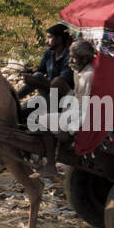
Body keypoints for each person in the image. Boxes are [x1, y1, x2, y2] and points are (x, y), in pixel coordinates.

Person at [37, 40, 96, 178]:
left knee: (42, 122)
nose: (70, 60)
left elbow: (87, 109)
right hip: (75, 109)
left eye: (74, 57)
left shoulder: (89, 76)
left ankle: (51, 166)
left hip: (80, 116)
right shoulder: (80, 71)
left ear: (85, 58)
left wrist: (69, 131)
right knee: (57, 82)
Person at [17, 23, 74, 99]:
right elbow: (41, 70)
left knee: (38, 76)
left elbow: (59, 87)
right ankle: (15, 99)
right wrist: (30, 72)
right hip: (46, 91)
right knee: (22, 110)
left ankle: (15, 98)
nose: (47, 41)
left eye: (50, 37)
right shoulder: (48, 53)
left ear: (59, 39)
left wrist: (35, 82)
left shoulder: (69, 58)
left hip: (60, 98)